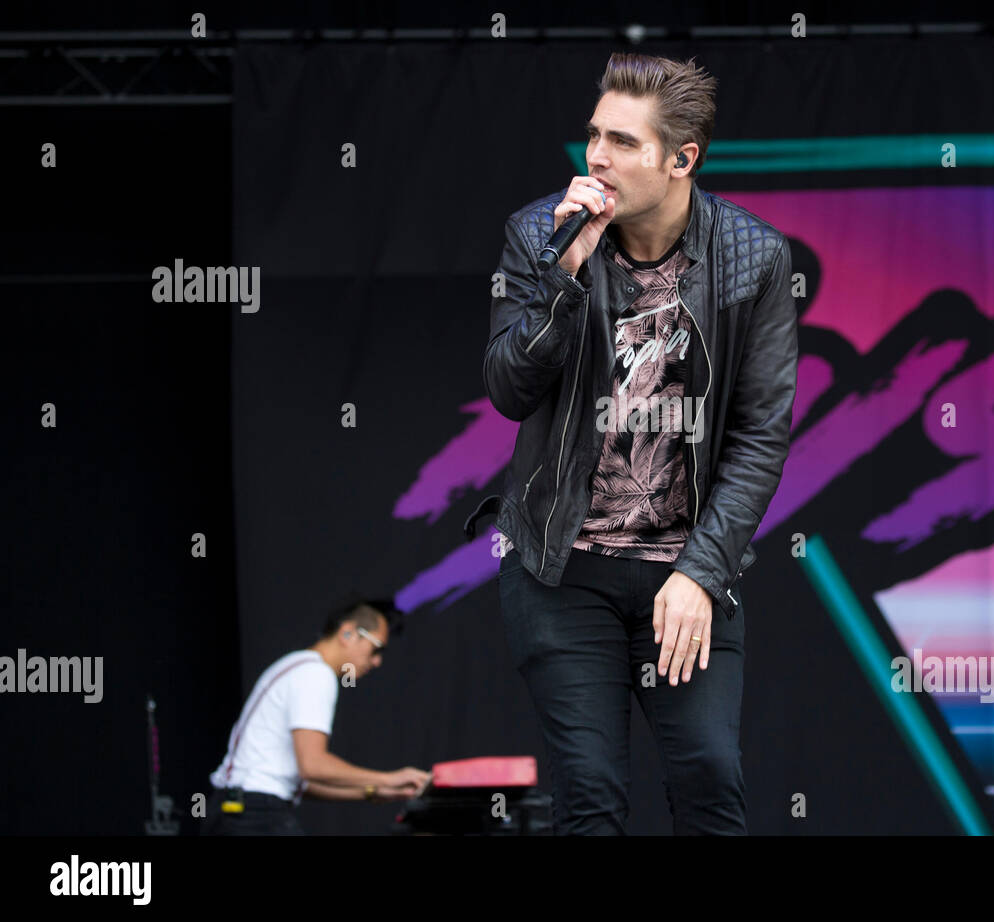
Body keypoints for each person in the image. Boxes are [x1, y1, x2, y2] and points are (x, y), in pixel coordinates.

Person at [465, 53, 798, 834]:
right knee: (590, 792)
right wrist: (564, 279)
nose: (597, 157)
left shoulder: (753, 259)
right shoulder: (538, 234)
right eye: (593, 135)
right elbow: (510, 390)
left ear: (682, 159)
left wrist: (701, 572)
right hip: (561, 567)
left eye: (623, 141)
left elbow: (759, 434)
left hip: (682, 573)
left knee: (712, 777)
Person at [201, 597, 430, 835]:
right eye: (376, 648)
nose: (377, 661)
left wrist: (371, 791)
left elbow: (298, 781)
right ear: (348, 633)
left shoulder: (296, 665)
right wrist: (389, 779)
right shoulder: (316, 674)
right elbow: (313, 766)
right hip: (253, 815)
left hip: (235, 810)